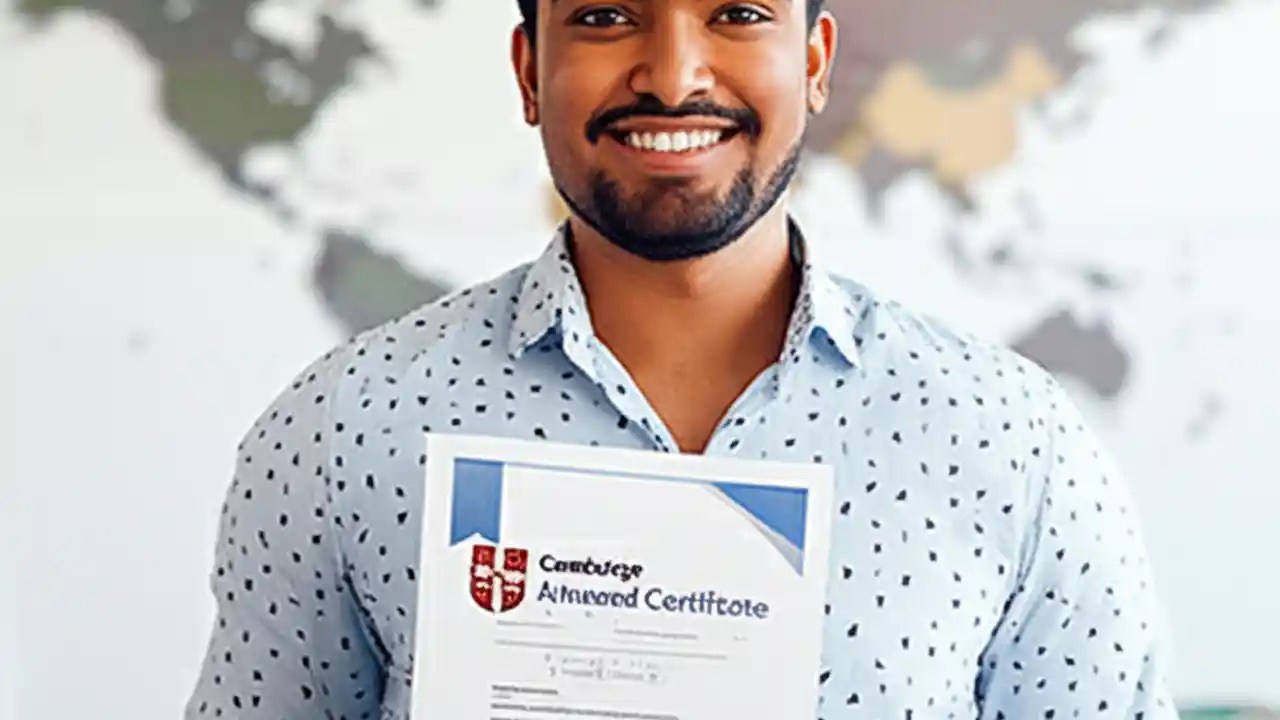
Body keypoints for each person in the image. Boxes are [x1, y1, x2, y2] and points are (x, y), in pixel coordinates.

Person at [184, 0, 1178, 717]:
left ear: (815, 61)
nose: (671, 75)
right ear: (529, 71)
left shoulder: (1011, 440)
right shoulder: (345, 429)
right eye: (606, 16)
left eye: (736, 14)